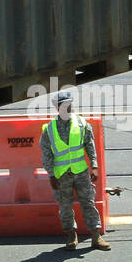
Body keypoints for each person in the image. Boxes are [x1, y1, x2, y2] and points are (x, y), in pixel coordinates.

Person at [40, 90, 110, 250]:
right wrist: (51, 175)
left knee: (88, 203)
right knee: (65, 205)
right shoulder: (49, 129)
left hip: (81, 172)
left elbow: (90, 145)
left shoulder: (82, 124)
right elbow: (46, 153)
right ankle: (71, 234)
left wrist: (94, 166)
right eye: (62, 105)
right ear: (57, 108)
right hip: (61, 174)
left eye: (68, 104)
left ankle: (95, 236)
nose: (66, 107)